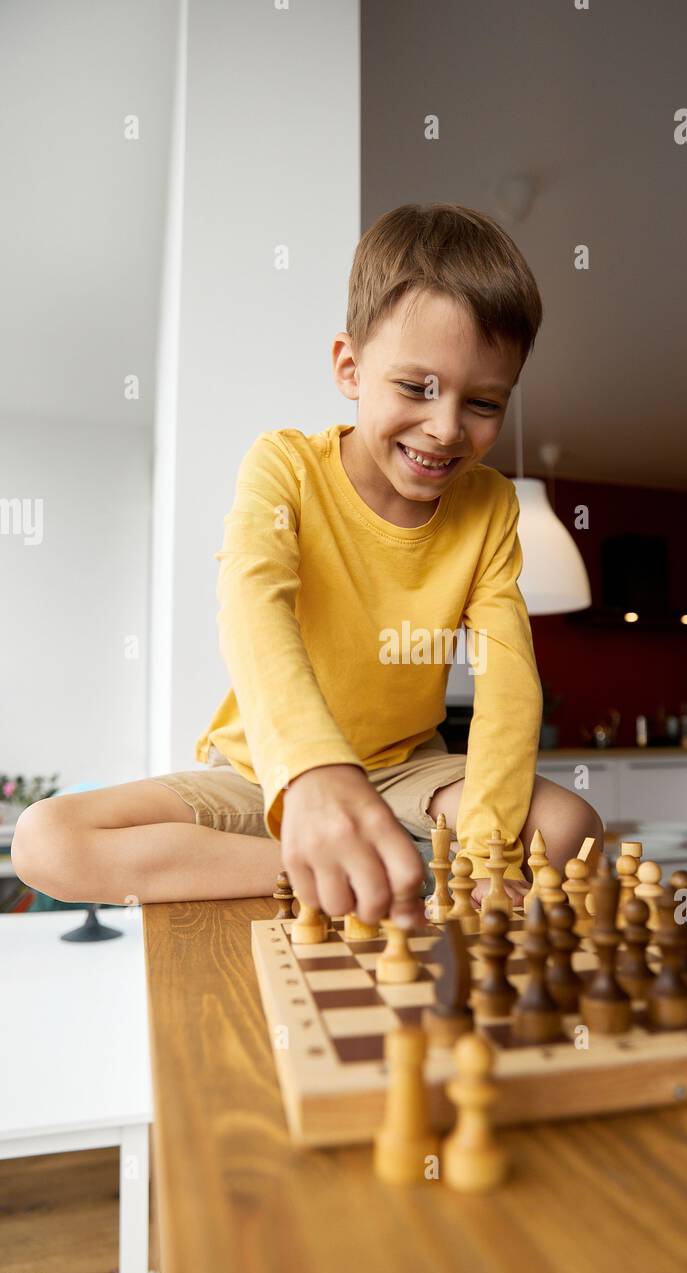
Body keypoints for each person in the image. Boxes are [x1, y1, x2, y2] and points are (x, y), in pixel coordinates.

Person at [13, 204, 602, 927]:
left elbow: (510, 684)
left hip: (408, 771)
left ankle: (378, 855)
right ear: (349, 368)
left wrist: (481, 853)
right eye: (417, 387)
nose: (447, 428)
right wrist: (315, 776)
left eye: (482, 402)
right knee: (47, 840)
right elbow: (252, 606)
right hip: (265, 772)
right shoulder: (284, 466)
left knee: (569, 826)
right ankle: (353, 863)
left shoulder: (491, 507)